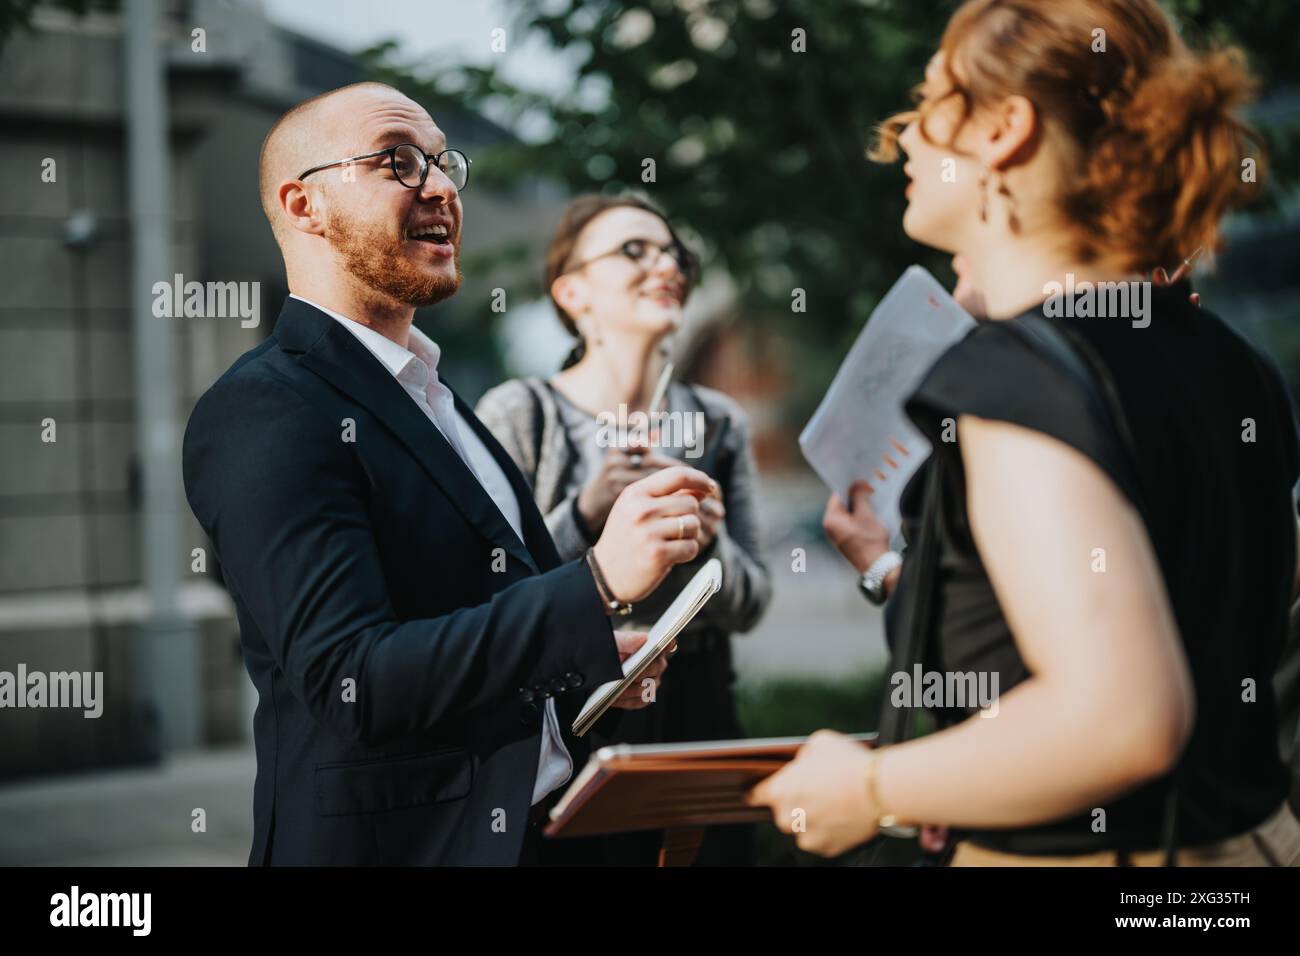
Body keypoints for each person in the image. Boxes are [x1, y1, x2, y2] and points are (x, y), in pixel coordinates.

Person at [749, 0, 1300, 866]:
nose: (902, 137)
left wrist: (865, 790)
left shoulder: (1017, 375)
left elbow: (1119, 720)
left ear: (1006, 129)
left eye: (931, 100)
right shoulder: (1235, 366)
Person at [182, 82, 719, 866]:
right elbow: (351, 680)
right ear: (305, 207)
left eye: (442, 162)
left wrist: (592, 653)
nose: (439, 186)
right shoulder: (265, 408)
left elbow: (470, 628)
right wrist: (596, 584)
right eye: (398, 162)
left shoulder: (437, 399)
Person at [476, 194, 772, 865]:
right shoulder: (521, 412)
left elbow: (752, 601)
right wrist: (585, 514)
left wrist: (707, 543)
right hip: (571, 710)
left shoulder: (719, 421)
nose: (664, 263)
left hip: (697, 710)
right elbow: (486, 588)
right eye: (633, 251)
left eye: (674, 253)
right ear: (573, 292)